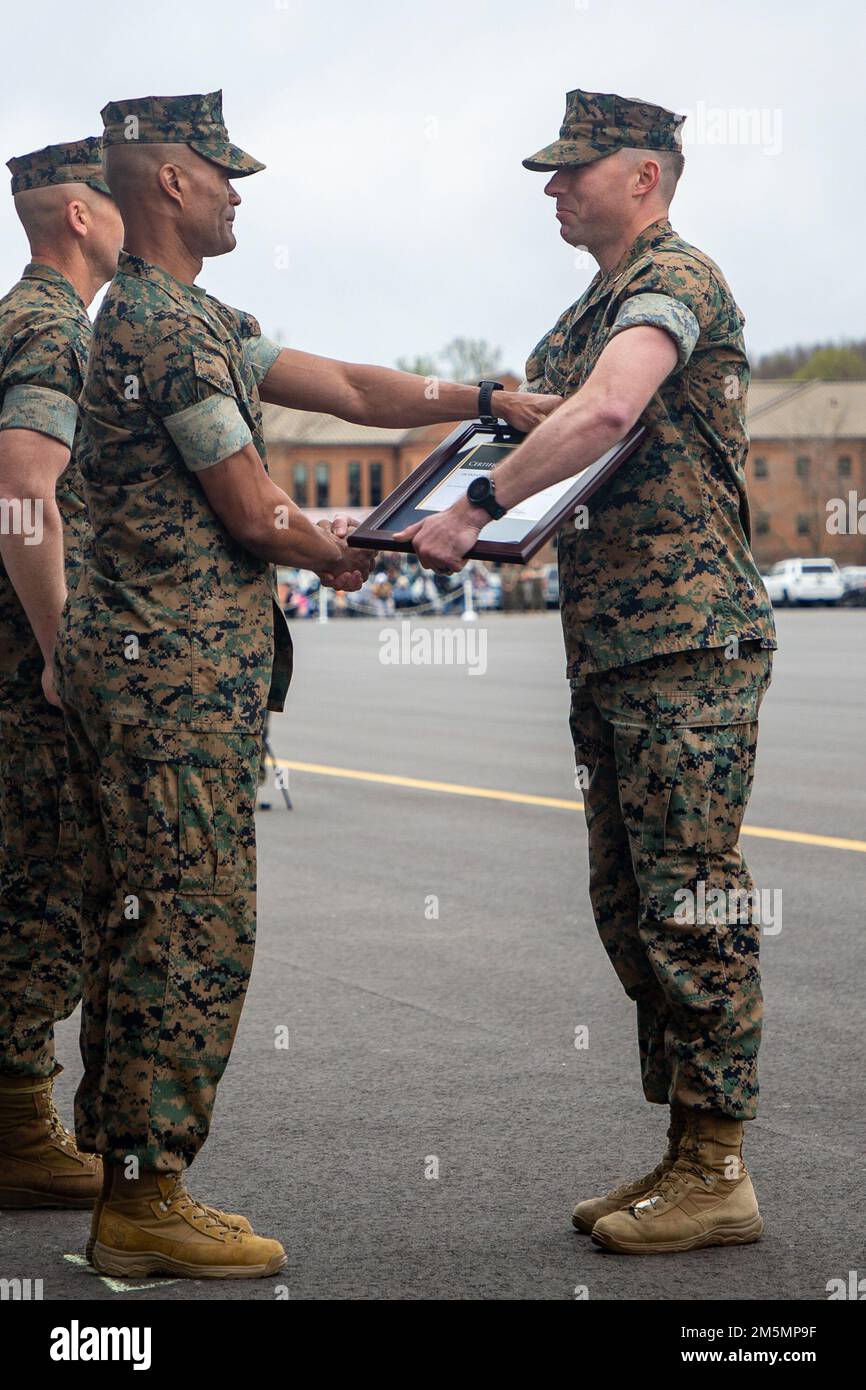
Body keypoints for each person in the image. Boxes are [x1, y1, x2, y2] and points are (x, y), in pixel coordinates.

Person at [56, 90, 560, 1280]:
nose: (239, 195)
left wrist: (482, 403)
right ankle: (144, 1199)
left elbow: (347, 387)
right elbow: (251, 507)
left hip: (164, 679)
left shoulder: (186, 315)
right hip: (169, 686)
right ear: (171, 181)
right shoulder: (165, 330)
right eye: (224, 175)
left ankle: (127, 1178)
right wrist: (347, 543)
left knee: (144, 918)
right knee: (191, 924)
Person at [401, 89, 777, 1255]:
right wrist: (469, 454)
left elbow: (609, 411)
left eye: (573, 168)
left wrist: (473, 504)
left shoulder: (674, 280)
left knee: (690, 899)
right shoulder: (583, 313)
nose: (552, 187)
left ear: (644, 176)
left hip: (687, 642)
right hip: (612, 648)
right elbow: (553, 424)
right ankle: (686, 1148)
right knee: (629, 906)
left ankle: (718, 1167)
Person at [0, 138, 123, 1209]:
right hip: (22, 669)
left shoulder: (15, 318)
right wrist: (61, 649)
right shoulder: (51, 328)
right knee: (40, 886)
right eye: (116, 200)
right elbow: (22, 491)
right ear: (81, 215)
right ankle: (18, 1130)